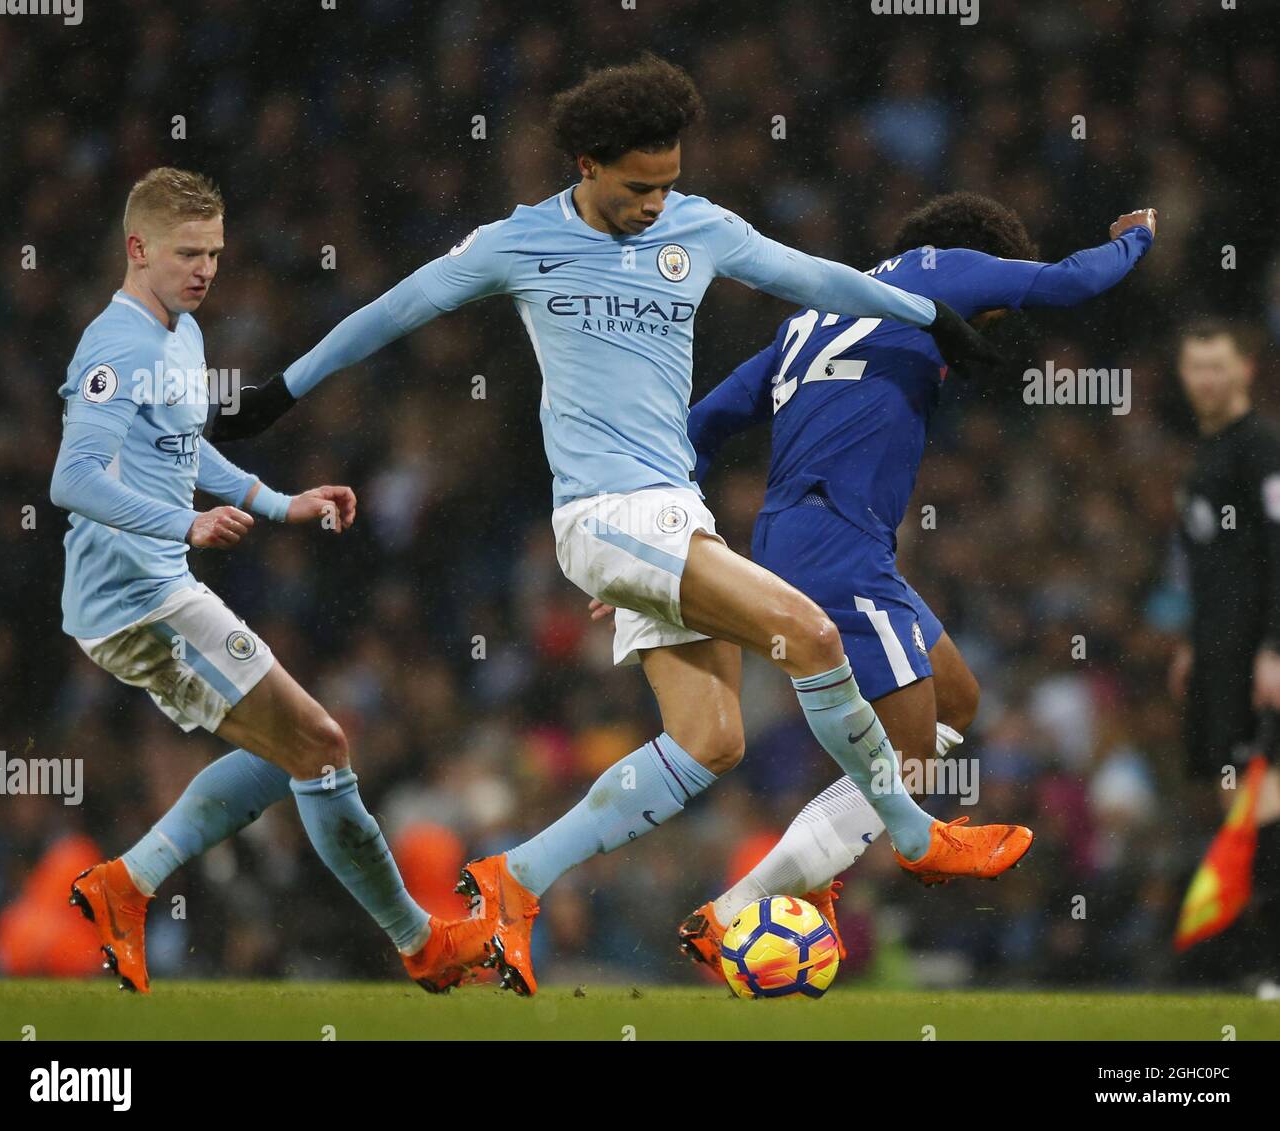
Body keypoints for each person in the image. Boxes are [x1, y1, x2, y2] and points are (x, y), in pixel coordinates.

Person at [217, 55, 1030, 997]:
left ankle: (515, 878)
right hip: (603, 513)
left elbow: (821, 278)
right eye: (639, 186)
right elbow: (387, 314)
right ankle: (917, 834)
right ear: (586, 163)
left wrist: (931, 315)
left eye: (668, 183)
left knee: (711, 741)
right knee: (810, 634)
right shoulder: (516, 242)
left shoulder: (700, 227)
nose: (655, 203)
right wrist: (276, 396)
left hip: (673, 515)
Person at [673, 193, 1156, 971]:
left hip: (819, 537)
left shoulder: (809, 314)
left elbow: (702, 422)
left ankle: (813, 869)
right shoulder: (944, 268)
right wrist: (1136, 240)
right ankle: (736, 910)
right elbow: (1069, 281)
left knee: (955, 699)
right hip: (836, 541)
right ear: (978, 254)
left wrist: (673, 525)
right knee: (908, 750)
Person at [51, 167, 492, 994]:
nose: (205, 269)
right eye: (188, 252)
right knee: (322, 744)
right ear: (137, 248)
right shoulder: (118, 344)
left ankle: (128, 884)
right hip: (134, 600)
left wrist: (282, 502)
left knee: (296, 751)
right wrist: (185, 524)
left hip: (156, 586)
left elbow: (185, 446)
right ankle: (419, 942)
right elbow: (71, 480)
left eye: (215, 252)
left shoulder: (181, 332)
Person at [1169, 317, 1280, 986]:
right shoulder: (1204, 455)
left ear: (1246, 369)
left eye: (1219, 365)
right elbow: (1212, 566)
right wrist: (1194, 643)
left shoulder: (1262, 447)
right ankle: (1246, 962)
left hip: (1258, 655)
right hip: (1217, 656)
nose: (1206, 379)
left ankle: (1270, 962)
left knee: (1264, 800)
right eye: (1195, 366)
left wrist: (1273, 645)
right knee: (1231, 801)